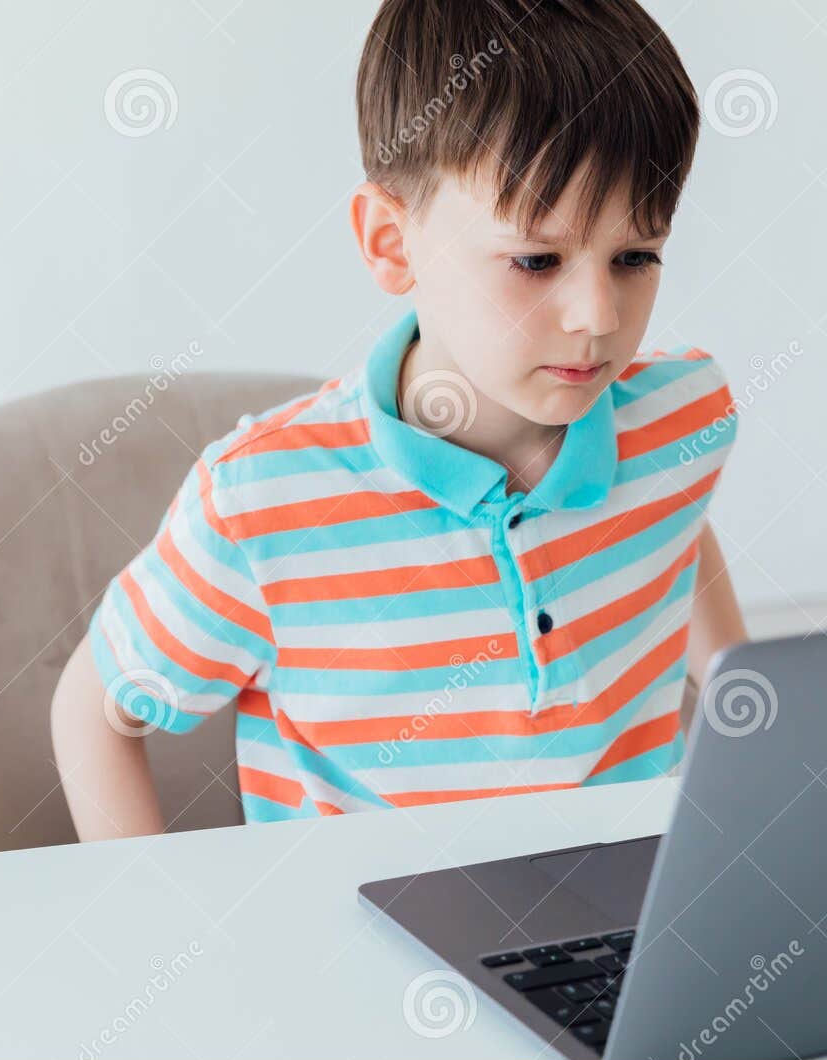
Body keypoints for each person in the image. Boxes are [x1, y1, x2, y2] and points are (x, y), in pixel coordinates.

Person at [52, 0, 745, 839]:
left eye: (636, 256)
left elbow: (675, 525)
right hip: (354, 920)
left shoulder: (682, 416)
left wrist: (744, 698)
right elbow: (95, 710)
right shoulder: (261, 504)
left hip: (627, 903)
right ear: (391, 241)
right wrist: (150, 902)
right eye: (537, 260)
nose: (599, 315)